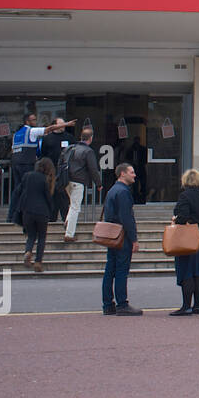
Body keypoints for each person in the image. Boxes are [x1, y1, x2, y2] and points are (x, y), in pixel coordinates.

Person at [102, 163, 142, 315]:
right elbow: (127, 218)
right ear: (122, 174)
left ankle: (107, 304)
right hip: (121, 236)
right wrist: (134, 239)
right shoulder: (124, 192)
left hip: (111, 234)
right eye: (131, 172)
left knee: (110, 269)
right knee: (121, 270)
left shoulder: (112, 190)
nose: (134, 175)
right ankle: (122, 304)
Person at [170, 168, 199, 315]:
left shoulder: (184, 196)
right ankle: (198, 305)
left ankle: (186, 305)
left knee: (186, 269)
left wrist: (175, 218)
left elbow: (182, 217)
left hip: (189, 234)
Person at [17, 156, 56, 273]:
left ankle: (28, 251)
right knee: (42, 237)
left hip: (27, 211)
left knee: (31, 235)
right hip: (41, 211)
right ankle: (38, 261)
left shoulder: (27, 176)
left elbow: (20, 191)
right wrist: (51, 209)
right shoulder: (45, 179)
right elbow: (47, 197)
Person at [64, 127, 102, 242]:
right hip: (78, 181)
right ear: (90, 138)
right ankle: (69, 234)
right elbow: (93, 169)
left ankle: (68, 222)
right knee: (75, 207)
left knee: (72, 204)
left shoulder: (70, 148)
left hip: (66, 180)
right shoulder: (88, 151)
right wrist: (99, 183)